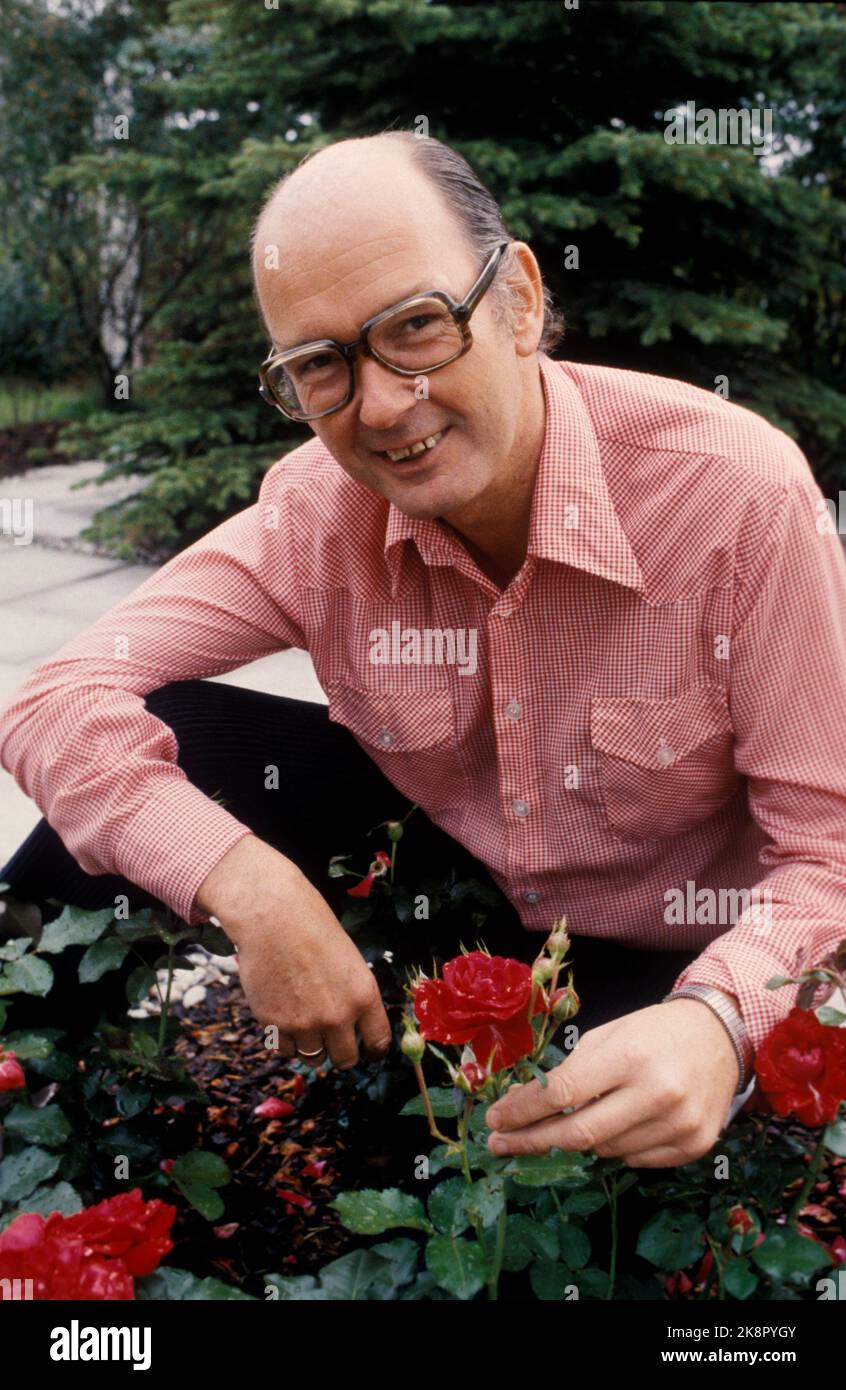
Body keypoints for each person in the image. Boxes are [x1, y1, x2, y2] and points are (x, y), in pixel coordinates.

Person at [1, 132, 845, 1170]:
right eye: (322, 366)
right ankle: (37, 1113)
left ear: (521, 300)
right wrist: (250, 890)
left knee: (555, 1203)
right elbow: (54, 699)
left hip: (660, 953)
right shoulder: (317, 513)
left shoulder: (738, 498)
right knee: (180, 736)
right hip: (449, 895)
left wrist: (722, 1019)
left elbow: (829, 850)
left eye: (417, 326)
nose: (386, 404)